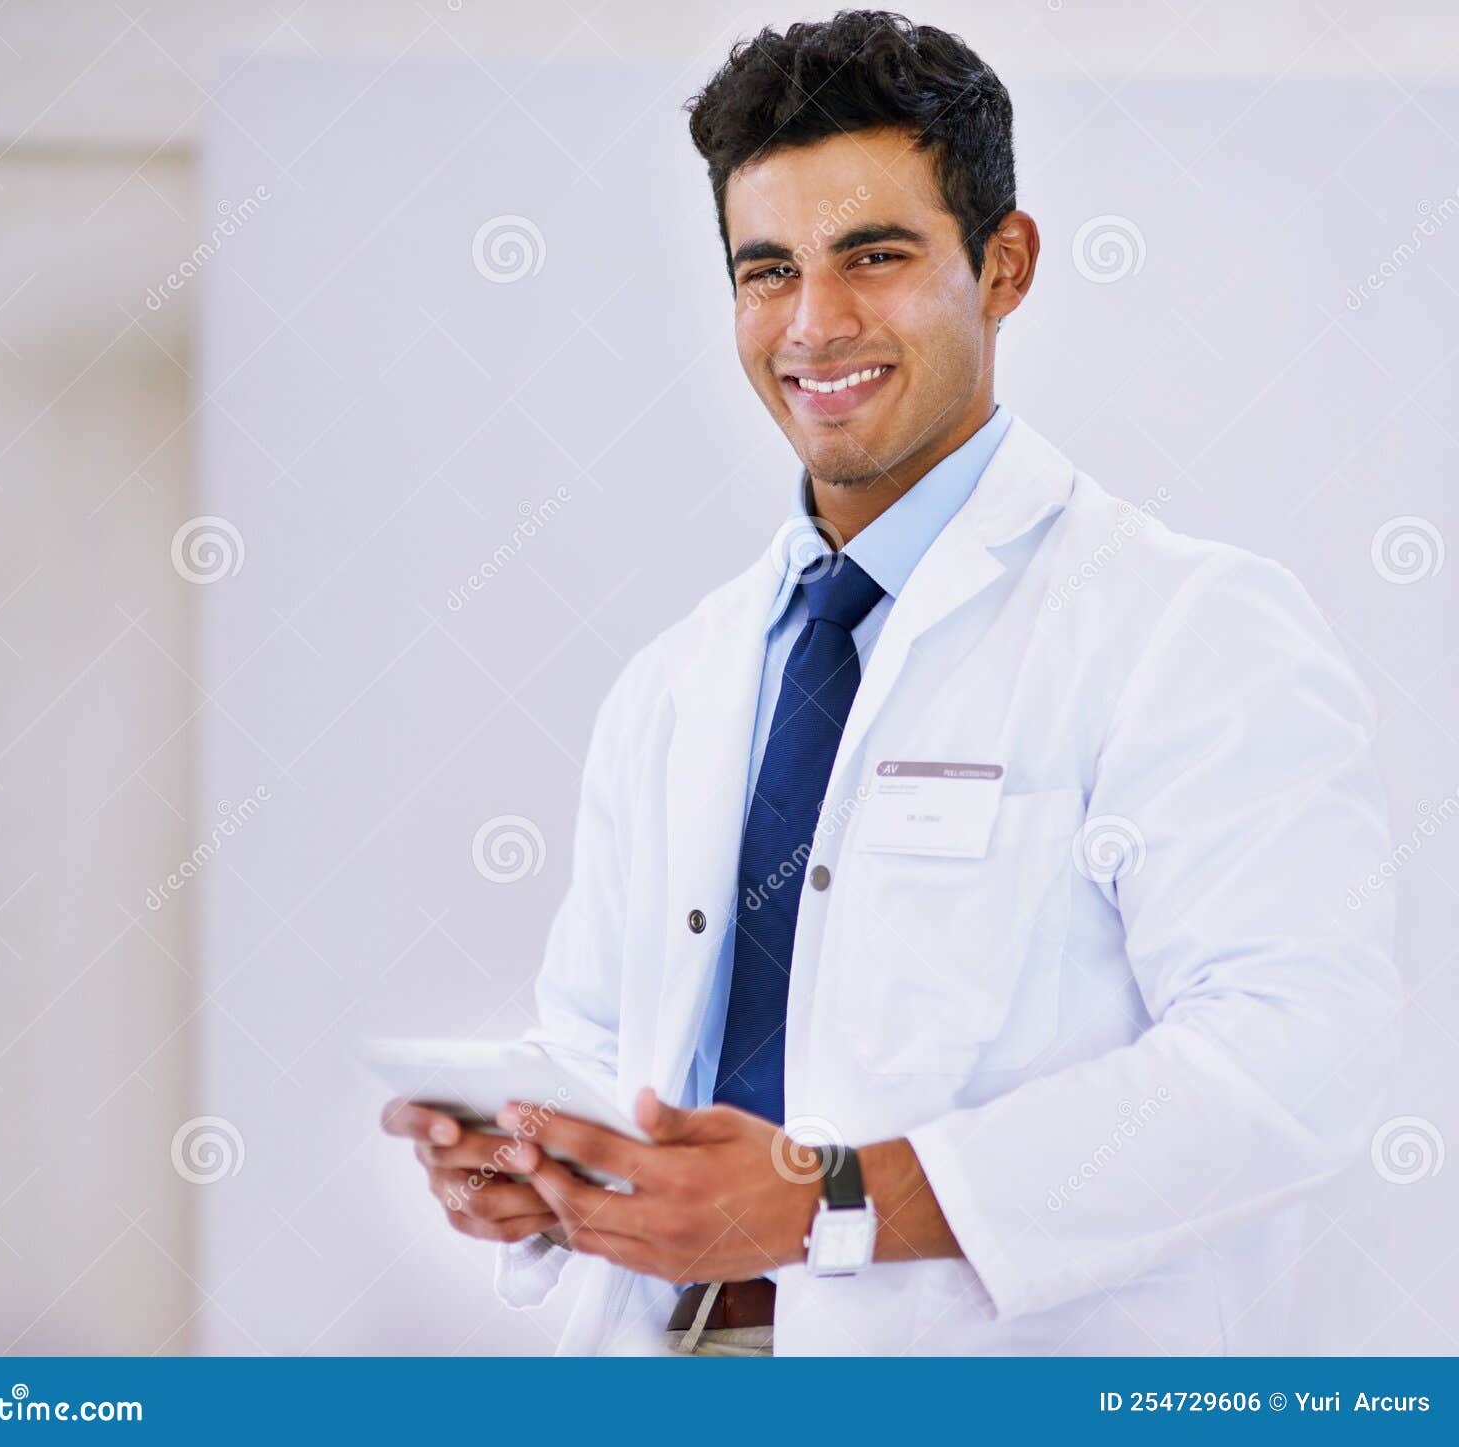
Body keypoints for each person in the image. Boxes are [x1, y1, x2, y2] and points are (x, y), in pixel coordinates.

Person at [384, 10, 1399, 1356]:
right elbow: (603, 1040)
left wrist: (830, 1205)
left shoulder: (1186, 629)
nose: (814, 325)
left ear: (1004, 265)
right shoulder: (680, 681)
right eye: (767, 270)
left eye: (874, 255)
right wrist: (542, 1157)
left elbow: (1292, 1062)